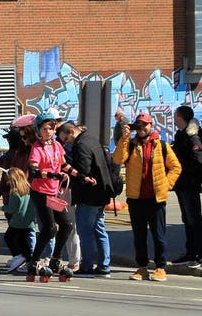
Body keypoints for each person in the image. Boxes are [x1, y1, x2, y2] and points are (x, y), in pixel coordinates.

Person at [113, 112, 181, 281]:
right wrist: (124, 138)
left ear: (151, 126)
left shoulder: (162, 146)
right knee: (139, 236)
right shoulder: (130, 144)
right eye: (139, 125)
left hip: (156, 199)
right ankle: (142, 267)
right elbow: (117, 160)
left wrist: (166, 185)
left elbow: (176, 167)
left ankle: (160, 267)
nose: (142, 128)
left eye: (145, 125)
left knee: (159, 236)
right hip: (136, 199)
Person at [27, 111, 78, 280]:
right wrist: (52, 176)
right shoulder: (36, 148)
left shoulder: (56, 146)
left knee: (67, 225)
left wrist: (82, 177)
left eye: (50, 128)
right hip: (40, 193)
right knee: (50, 228)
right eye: (44, 129)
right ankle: (34, 262)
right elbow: (33, 171)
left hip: (53, 193)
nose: (48, 131)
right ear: (38, 130)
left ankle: (55, 260)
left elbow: (64, 166)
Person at [60, 122, 114, 276]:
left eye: (65, 139)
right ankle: (104, 266)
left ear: (71, 131)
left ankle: (87, 265)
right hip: (101, 193)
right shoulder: (91, 139)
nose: (66, 143)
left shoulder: (81, 145)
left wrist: (77, 176)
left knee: (85, 231)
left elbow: (84, 170)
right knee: (99, 229)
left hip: (88, 195)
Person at [171, 105, 202, 269]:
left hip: (189, 185)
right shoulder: (180, 135)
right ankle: (190, 252)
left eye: (176, 116)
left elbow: (198, 161)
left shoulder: (193, 137)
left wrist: (182, 169)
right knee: (187, 220)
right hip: (181, 184)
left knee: (194, 220)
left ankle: (198, 254)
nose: (174, 118)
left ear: (181, 118)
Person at [1, 167, 36, 274]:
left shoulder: (15, 192)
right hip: (28, 220)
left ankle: (18, 256)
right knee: (23, 242)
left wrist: (4, 208)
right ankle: (29, 260)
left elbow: (12, 209)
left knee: (8, 237)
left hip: (17, 221)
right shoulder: (29, 189)